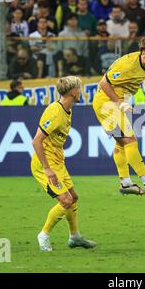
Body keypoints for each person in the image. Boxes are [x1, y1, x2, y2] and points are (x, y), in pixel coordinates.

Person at [92, 37, 145, 195]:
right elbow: (104, 83)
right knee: (130, 140)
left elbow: (123, 85)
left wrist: (124, 101)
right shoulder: (129, 64)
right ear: (144, 52)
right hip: (107, 104)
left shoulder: (140, 63)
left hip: (114, 104)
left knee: (121, 143)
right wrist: (119, 102)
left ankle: (126, 182)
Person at [32, 76, 96, 252]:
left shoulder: (67, 109)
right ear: (73, 91)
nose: (80, 91)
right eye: (79, 88)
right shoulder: (55, 112)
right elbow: (36, 141)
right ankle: (43, 235)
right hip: (45, 164)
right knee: (66, 200)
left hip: (57, 161)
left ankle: (74, 236)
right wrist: (47, 168)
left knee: (73, 198)